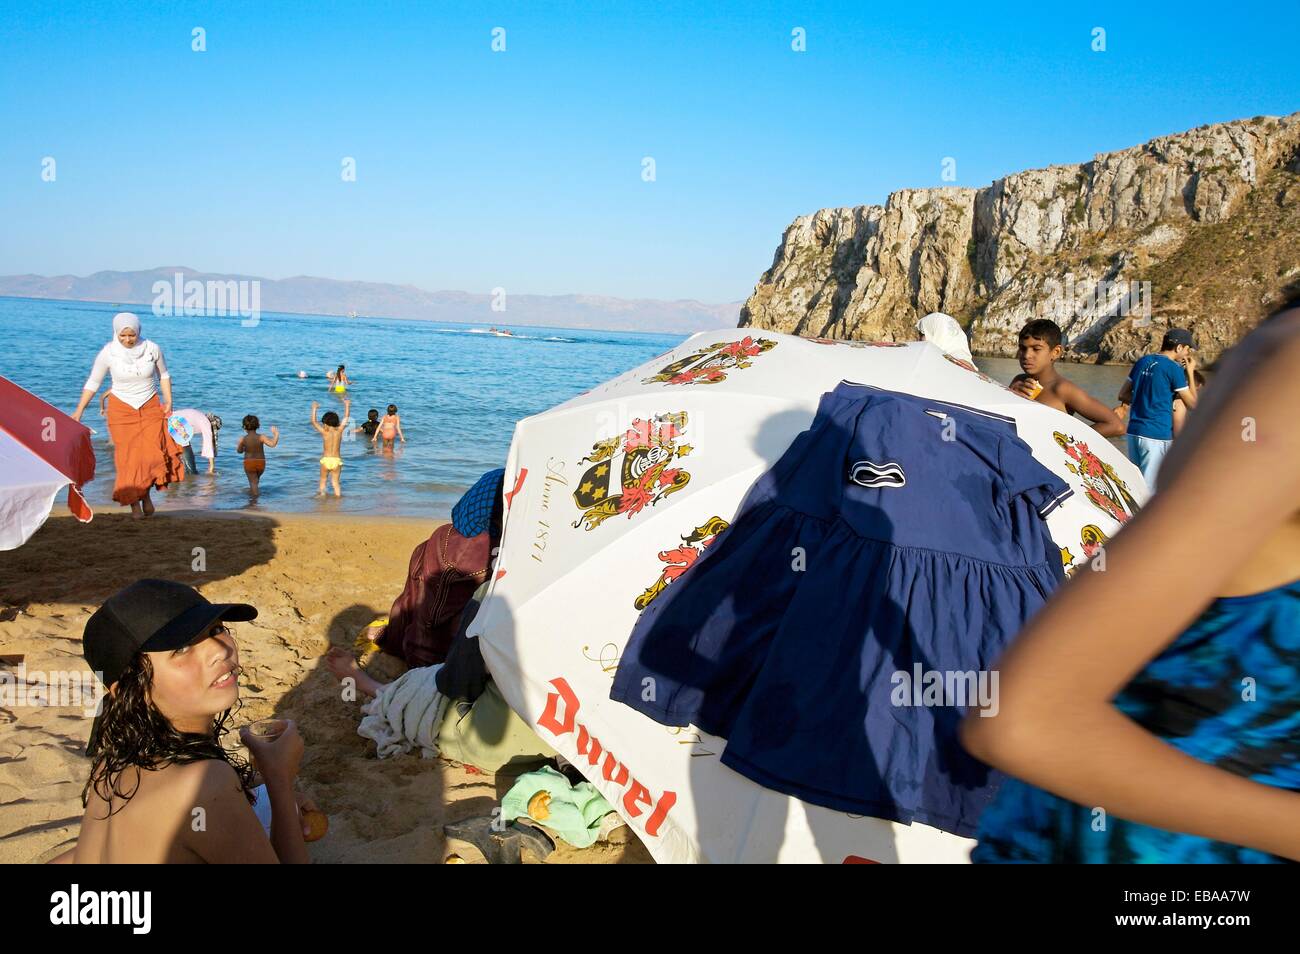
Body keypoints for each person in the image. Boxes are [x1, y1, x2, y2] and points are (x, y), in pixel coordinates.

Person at [961, 299, 1300, 863]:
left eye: (1034, 346)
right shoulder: (1289, 368)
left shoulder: (1089, 384)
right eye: (1023, 347)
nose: (1025, 354)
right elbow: (1020, 717)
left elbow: (1116, 418)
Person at [50, 579, 312, 863]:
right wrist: (279, 779)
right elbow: (197, 795)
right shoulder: (206, 781)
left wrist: (257, 786)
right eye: (182, 648)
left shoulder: (109, 765)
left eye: (215, 629)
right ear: (129, 688)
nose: (219, 651)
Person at [70, 312, 185, 518]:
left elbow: (164, 375)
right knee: (127, 459)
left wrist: (169, 400)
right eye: (123, 336)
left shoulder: (152, 349)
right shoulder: (109, 352)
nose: (127, 340)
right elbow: (93, 383)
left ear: (138, 331)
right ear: (116, 333)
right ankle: (134, 505)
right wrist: (79, 411)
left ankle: (146, 495)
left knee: (150, 456)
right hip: (121, 411)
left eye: (131, 335)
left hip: (150, 406)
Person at [1009, 320, 1124, 437]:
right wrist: (1010, 395)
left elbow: (1116, 425)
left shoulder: (1062, 389)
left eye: (1036, 349)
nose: (1027, 355)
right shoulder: (1018, 382)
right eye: (1023, 348)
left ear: (1056, 352)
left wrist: (1065, 440)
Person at [1114, 328, 1200, 486]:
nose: (1187, 354)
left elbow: (1122, 394)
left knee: (1137, 485)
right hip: (1156, 434)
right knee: (1151, 489)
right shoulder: (1174, 369)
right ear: (1179, 347)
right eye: (1187, 349)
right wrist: (1190, 372)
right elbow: (1193, 405)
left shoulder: (1142, 361)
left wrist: (1145, 397)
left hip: (1134, 432)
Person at [311, 399, 350, 497]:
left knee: (323, 480)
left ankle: (322, 496)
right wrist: (347, 405)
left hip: (326, 460)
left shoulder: (325, 432)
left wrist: (314, 409)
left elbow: (314, 422)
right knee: (335, 483)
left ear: (325, 423)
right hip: (337, 460)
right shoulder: (339, 431)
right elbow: (346, 418)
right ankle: (338, 498)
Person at [236, 415, 279, 496]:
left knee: (253, 483)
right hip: (261, 463)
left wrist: (242, 447)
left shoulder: (243, 439)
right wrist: (276, 435)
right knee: (255, 481)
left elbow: (239, 451)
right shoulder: (261, 437)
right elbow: (273, 444)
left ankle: (254, 503)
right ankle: (253, 496)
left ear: (244, 427)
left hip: (249, 463)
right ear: (257, 425)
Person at [173, 407, 217, 475]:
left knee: (178, 450)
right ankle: (191, 475)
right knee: (186, 449)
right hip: (176, 422)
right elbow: (208, 444)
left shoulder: (201, 416)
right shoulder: (206, 422)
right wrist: (211, 467)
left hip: (171, 419)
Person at [1172, 369, 1207, 437]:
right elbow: (1178, 433)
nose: (1195, 395)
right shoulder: (1179, 403)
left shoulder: (1170, 398)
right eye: (1196, 390)